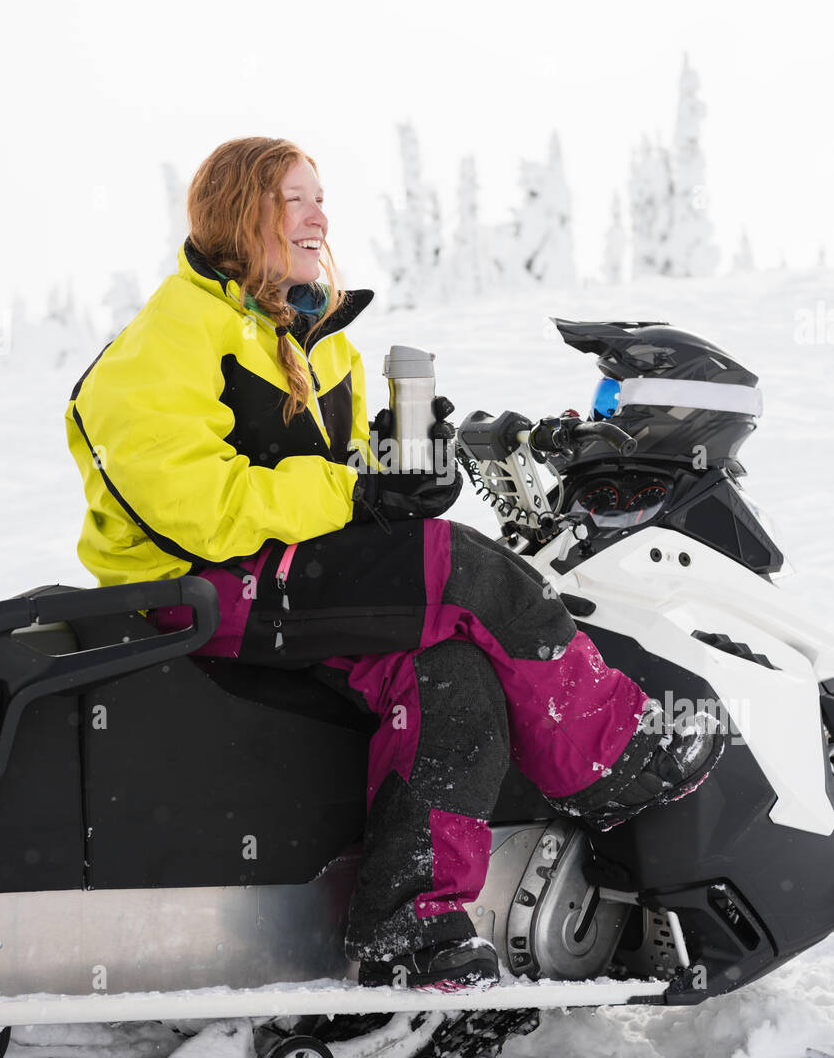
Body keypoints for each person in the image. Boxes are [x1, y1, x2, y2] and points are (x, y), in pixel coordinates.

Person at [64, 136, 723, 992]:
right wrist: (352, 494)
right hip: (192, 591)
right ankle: (608, 754)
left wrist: (406, 476)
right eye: (295, 198)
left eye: (319, 196)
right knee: (472, 574)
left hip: (294, 581)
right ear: (239, 212)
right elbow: (195, 507)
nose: (319, 216)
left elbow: (344, 483)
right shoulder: (164, 341)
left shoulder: (314, 340)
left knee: (453, 675)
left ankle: (410, 926)